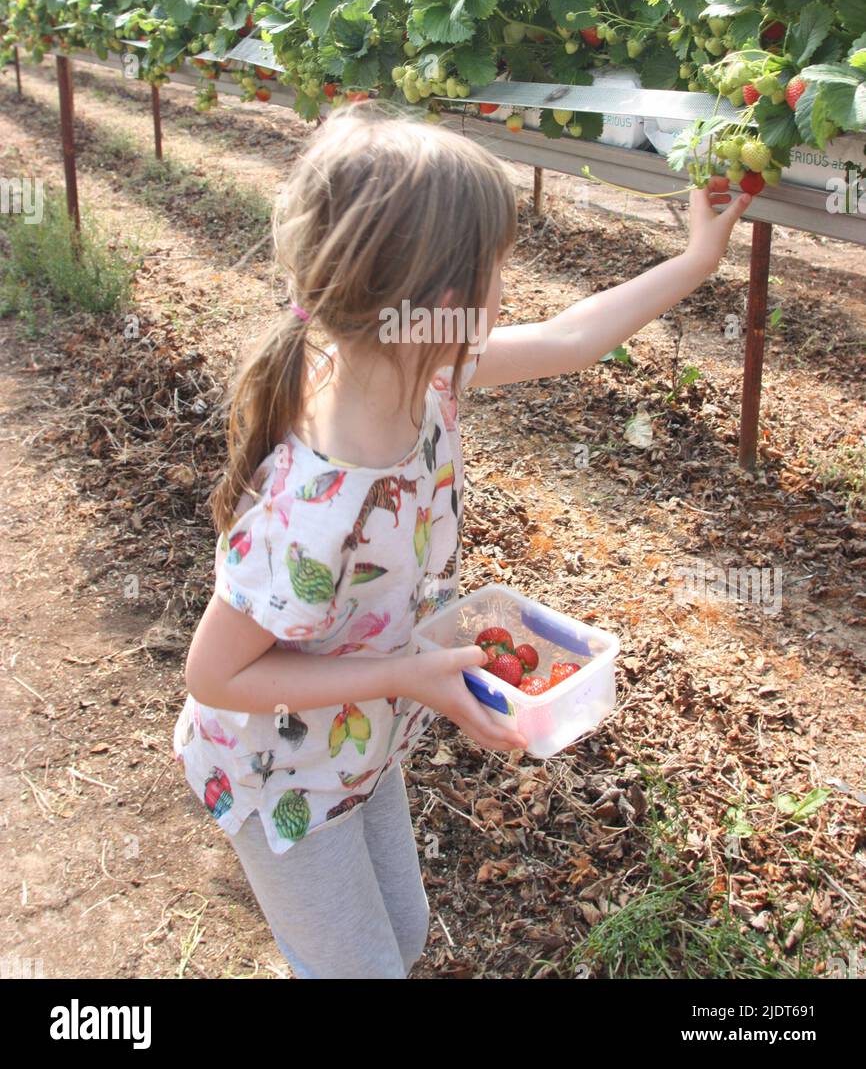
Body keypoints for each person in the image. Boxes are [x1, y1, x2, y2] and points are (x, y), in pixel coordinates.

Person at [173, 100, 752, 979]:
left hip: (358, 742)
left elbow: (572, 337)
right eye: (496, 267)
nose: (505, 287)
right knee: (359, 969)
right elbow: (215, 675)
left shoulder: (424, 369)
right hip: (278, 770)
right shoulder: (316, 501)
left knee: (398, 941)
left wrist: (695, 258)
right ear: (441, 299)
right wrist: (412, 675)